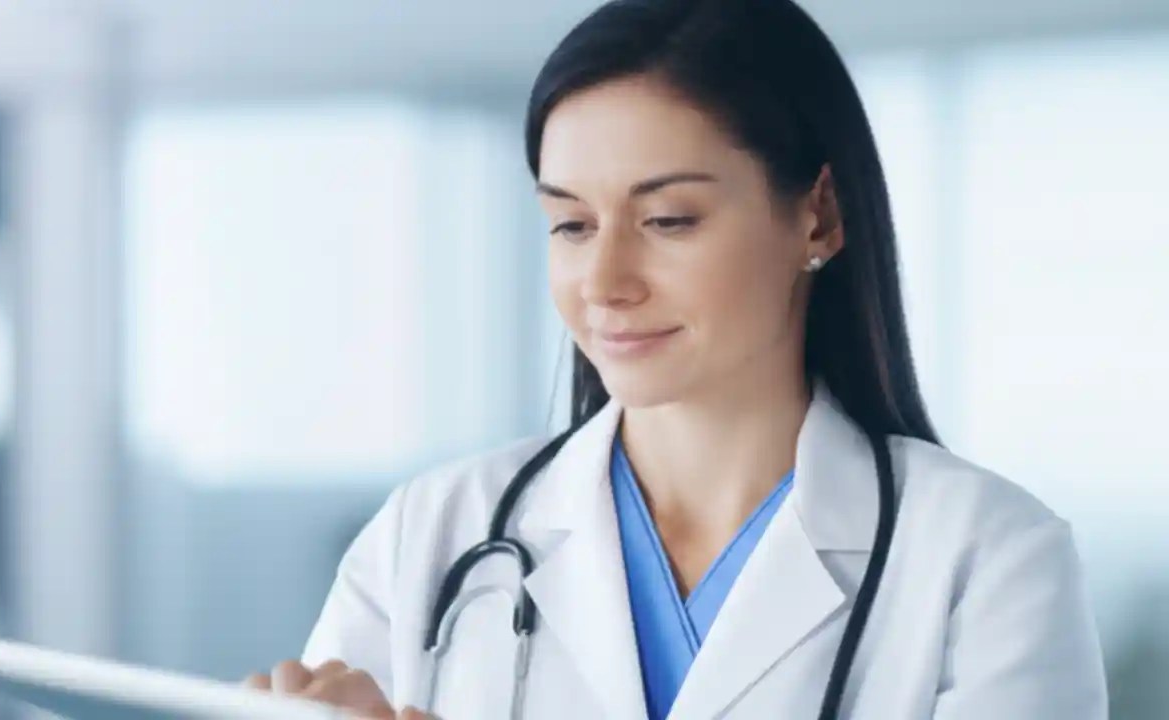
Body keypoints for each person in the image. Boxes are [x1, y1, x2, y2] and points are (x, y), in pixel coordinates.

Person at [244, 0, 1108, 717]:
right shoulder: (431, 539)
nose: (606, 282)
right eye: (571, 224)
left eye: (668, 221)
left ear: (819, 216)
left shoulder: (987, 561)